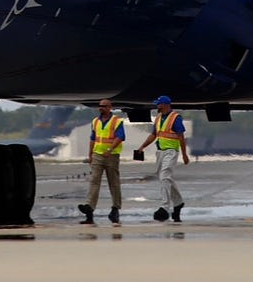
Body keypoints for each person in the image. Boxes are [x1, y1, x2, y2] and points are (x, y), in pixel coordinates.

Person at [137, 94, 189, 222]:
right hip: (160, 152)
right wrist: (142, 147)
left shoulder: (175, 118)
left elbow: (181, 137)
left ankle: (164, 207)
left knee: (165, 177)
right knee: (166, 178)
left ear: (165, 105)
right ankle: (178, 202)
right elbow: (153, 135)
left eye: (159, 104)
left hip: (171, 152)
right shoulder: (159, 118)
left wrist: (184, 154)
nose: (157, 106)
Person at [78, 99, 125, 225]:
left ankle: (115, 209)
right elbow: (93, 138)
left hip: (112, 156)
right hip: (97, 155)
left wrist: (110, 149)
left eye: (103, 106)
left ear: (110, 107)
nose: (101, 108)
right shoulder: (95, 121)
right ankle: (89, 209)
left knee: (113, 183)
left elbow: (120, 137)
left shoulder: (117, 121)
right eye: (100, 106)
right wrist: (90, 154)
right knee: (94, 180)